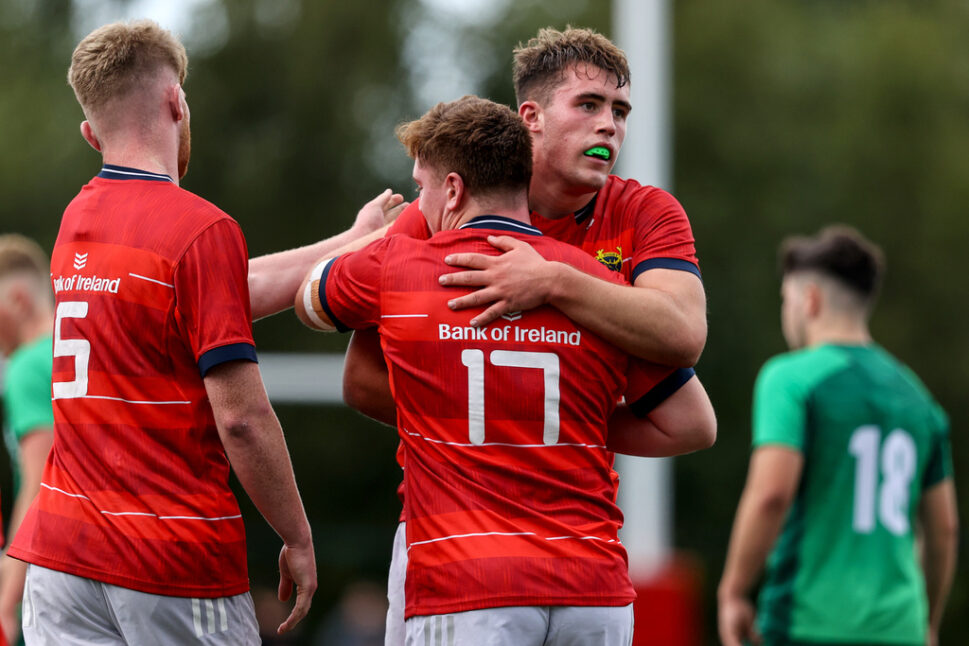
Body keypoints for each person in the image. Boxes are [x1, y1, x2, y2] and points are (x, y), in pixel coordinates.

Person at [295, 95, 714, 645]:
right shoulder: (602, 288)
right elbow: (691, 424)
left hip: (466, 581)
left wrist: (381, 234)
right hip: (592, 584)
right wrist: (564, 424)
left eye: (421, 188)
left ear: (451, 189)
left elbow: (310, 300)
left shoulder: (397, 267)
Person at [7, 20, 316, 644]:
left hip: (61, 557)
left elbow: (209, 297)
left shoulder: (77, 221)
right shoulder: (199, 228)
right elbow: (241, 419)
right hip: (168, 554)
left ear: (91, 132)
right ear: (177, 100)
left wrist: (354, 241)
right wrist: (296, 535)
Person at [717, 226, 958, 646]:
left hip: (808, 625)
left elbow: (771, 495)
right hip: (900, 630)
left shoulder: (790, 378)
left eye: (785, 300)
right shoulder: (918, 399)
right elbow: (945, 529)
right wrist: (928, 623)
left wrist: (734, 591)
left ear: (809, 300)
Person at [0, 236, 55, 646]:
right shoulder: (85, 347)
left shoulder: (25, 366)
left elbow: (39, 486)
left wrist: (8, 595)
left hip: (51, 573)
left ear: (19, 300)